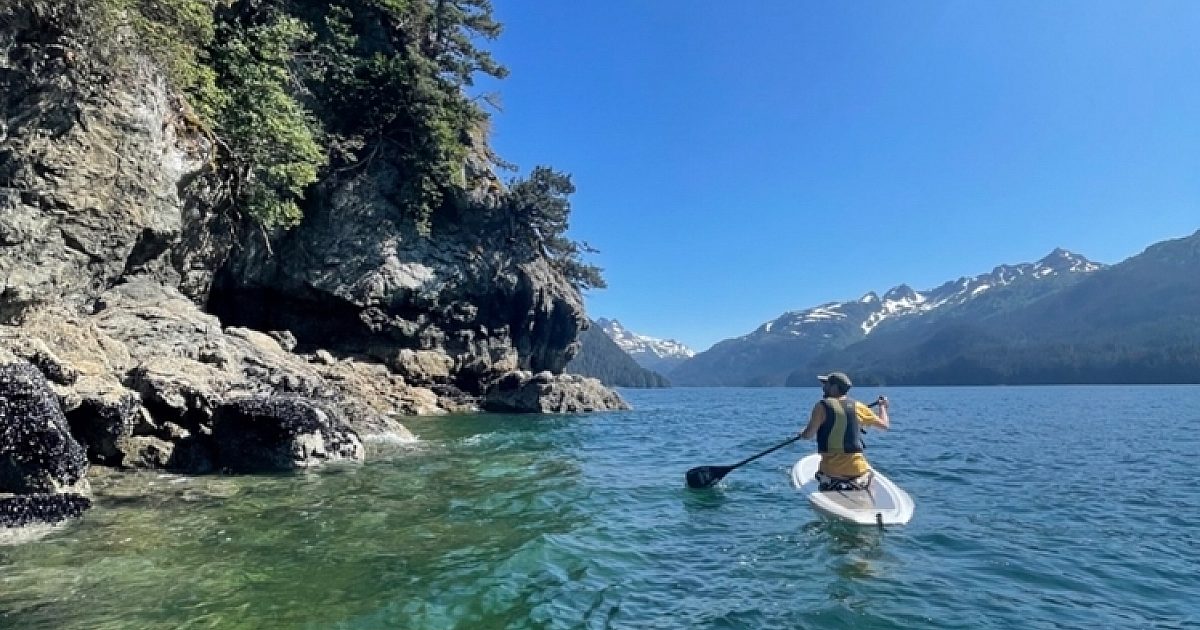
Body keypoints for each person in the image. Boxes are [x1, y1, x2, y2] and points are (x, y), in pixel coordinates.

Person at [798, 371, 890, 491]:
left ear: (835, 388)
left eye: (826, 384)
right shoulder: (858, 406)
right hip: (857, 471)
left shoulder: (821, 406)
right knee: (868, 477)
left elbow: (808, 435)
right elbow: (885, 425)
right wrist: (882, 406)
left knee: (822, 475)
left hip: (831, 473)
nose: (823, 388)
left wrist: (802, 433)